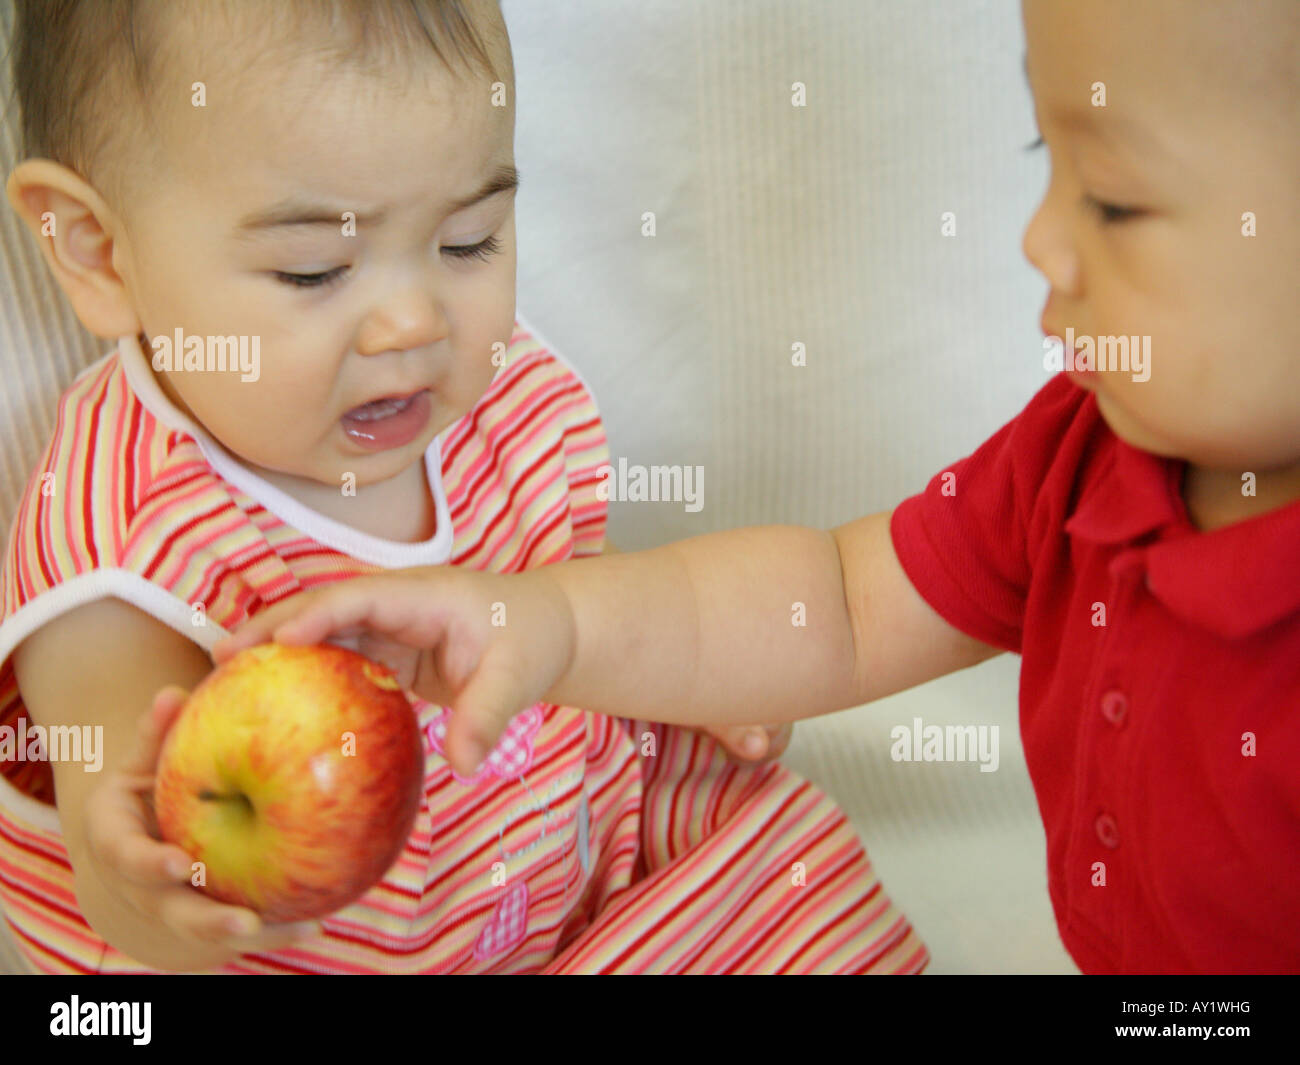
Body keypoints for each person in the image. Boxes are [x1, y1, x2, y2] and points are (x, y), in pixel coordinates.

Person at [222, 0, 1300, 974]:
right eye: (1042, 153)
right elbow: (834, 603)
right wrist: (538, 621)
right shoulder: (1081, 454)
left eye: (1112, 200)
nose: (1038, 238)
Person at [0, 0, 924, 973]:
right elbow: (118, 851)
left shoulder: (488, 403)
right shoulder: (129, 547)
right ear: (97, 249)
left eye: (468, 241)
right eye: (315, 270)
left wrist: (665, 669)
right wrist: (168, 886)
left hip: (560, 852)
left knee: (781, 877)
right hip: (337, 959)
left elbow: (557, 577)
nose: (412, 322)